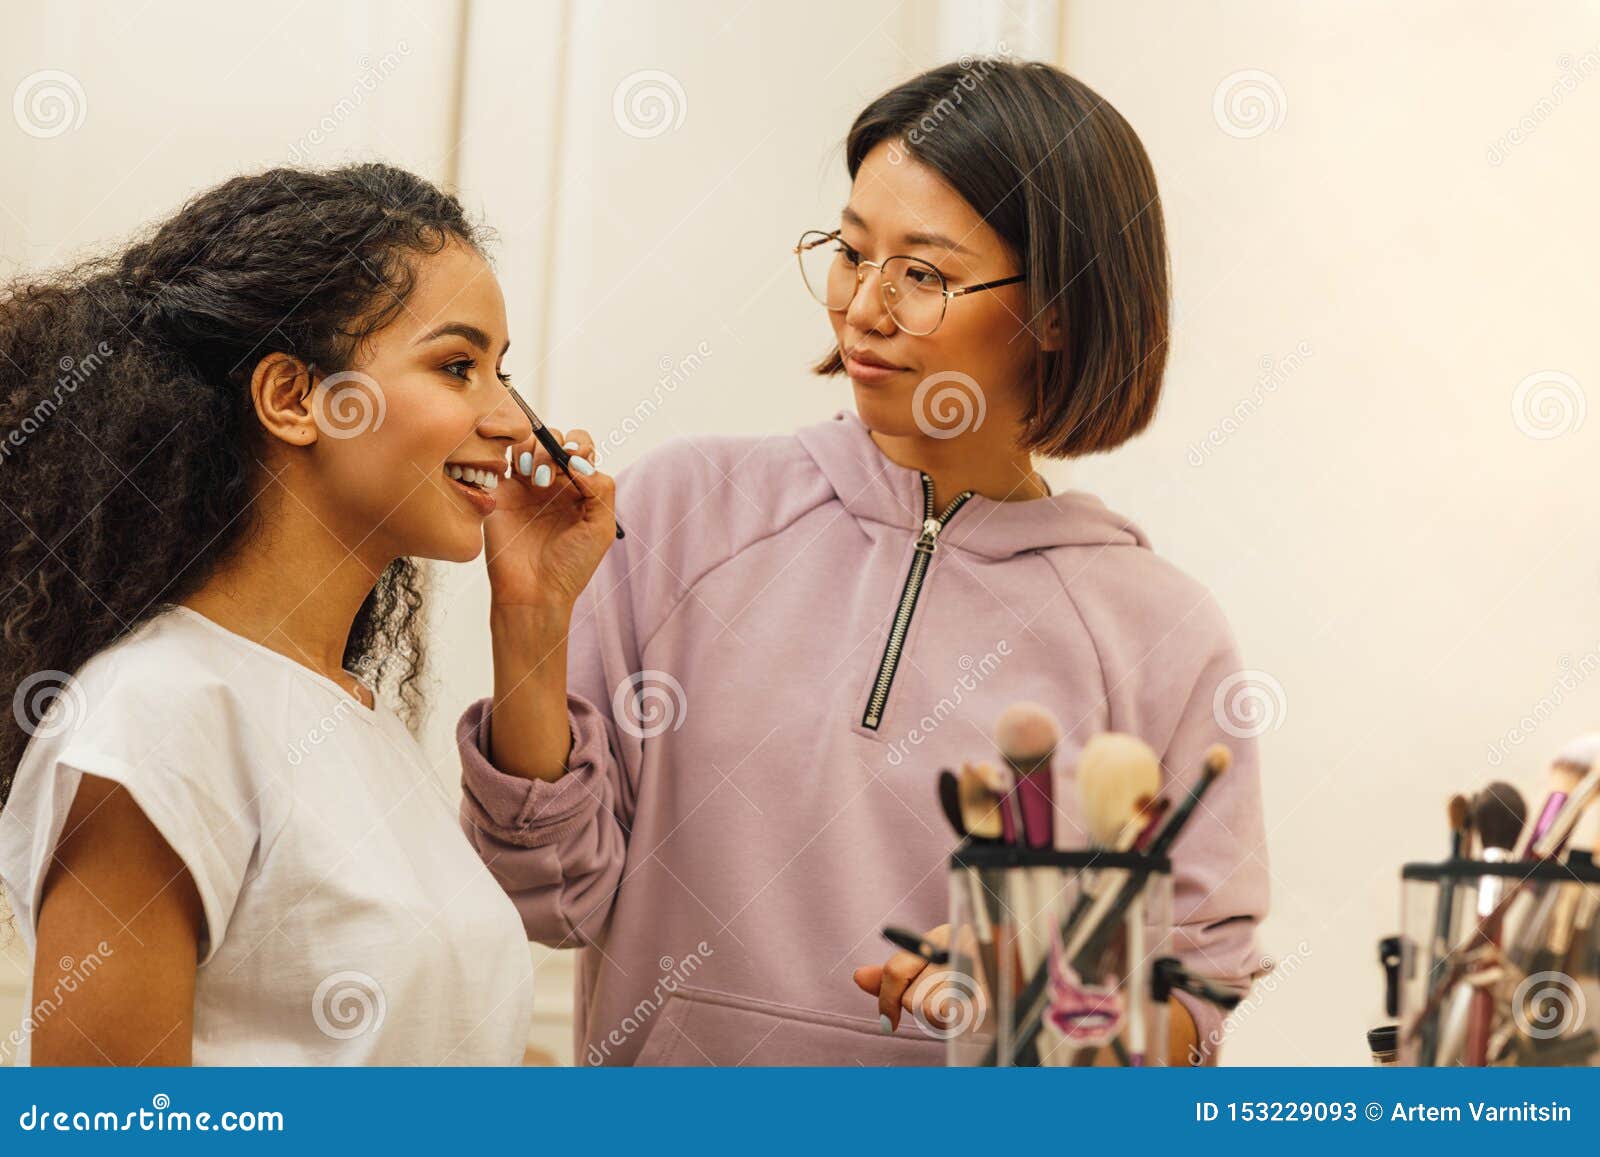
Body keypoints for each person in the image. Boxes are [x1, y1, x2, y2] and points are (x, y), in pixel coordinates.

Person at [463, 58, 1270, 1066]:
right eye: (850, 253)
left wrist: (1041, 1010)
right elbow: (548, 892)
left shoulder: (1157, 630)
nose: (864, 307)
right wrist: (528, 629)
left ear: (1057, 309)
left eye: (922, 272)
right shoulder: (682, 511)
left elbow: (1192, 986)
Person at [0, 164, 542, 1065]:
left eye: (500, 371)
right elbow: (103, 1126)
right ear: (295, 398)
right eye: (458, 366)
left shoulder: (355, 718)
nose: (516, 423)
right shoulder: (158, 714)